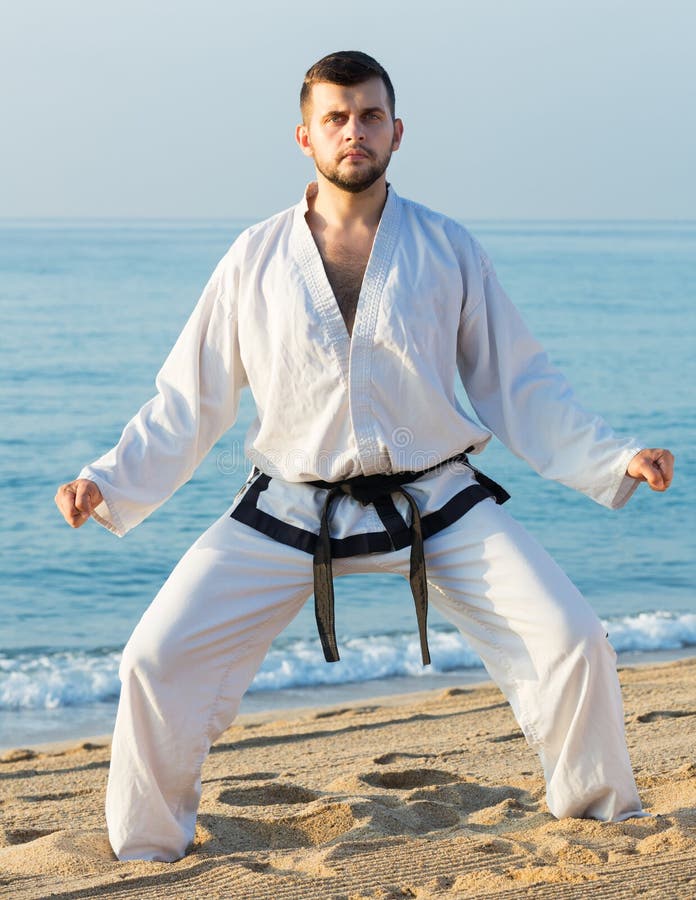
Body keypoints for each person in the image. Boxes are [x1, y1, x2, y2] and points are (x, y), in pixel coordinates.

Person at [55, 50, 674, 863]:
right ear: (305, 136)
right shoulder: (254, 257)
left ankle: (601, 818)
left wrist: (613, 455)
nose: (355, 130)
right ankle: (146, 846)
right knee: (156, 657)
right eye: (336, 117)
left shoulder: (445, 247)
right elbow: (190, 398)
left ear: (397, 130)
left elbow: (517, 382)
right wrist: (108, 477)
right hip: (287, 508)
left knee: (573, 638)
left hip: (437, 503)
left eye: (370, 115)